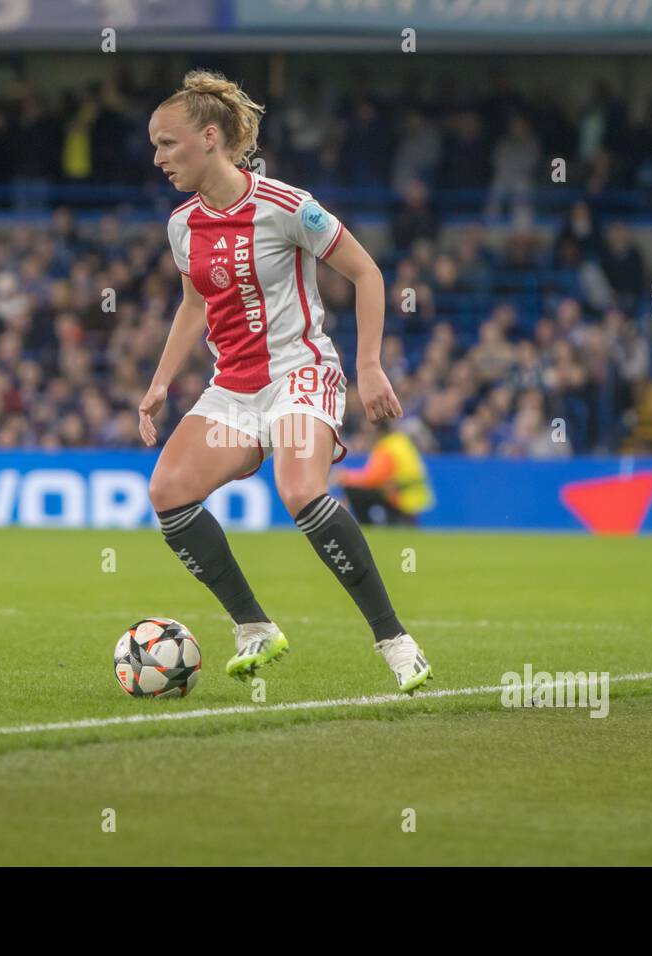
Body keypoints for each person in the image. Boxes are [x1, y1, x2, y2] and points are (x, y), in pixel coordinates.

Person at [138, 70, 432, 693]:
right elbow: (194, 305)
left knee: (299, 490)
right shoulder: (182, 225)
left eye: (167, 143)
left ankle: (395, 640)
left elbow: (368, 273)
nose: (158, 157)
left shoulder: (288, 206)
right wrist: (161, 381)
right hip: (233, 389)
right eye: (155, 145)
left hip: (300, 372)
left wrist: (369, 365)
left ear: (210, 137)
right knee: (167, 491)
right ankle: (254, 626)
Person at [334, 421, 434, 526]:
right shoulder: (401, 441)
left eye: (368, 432)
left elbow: (372, 479)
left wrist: (345, 477)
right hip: (414, 496)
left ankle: (366, 525)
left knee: (353, 490)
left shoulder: (387, 447)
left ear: (379, 431)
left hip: (400, 497)